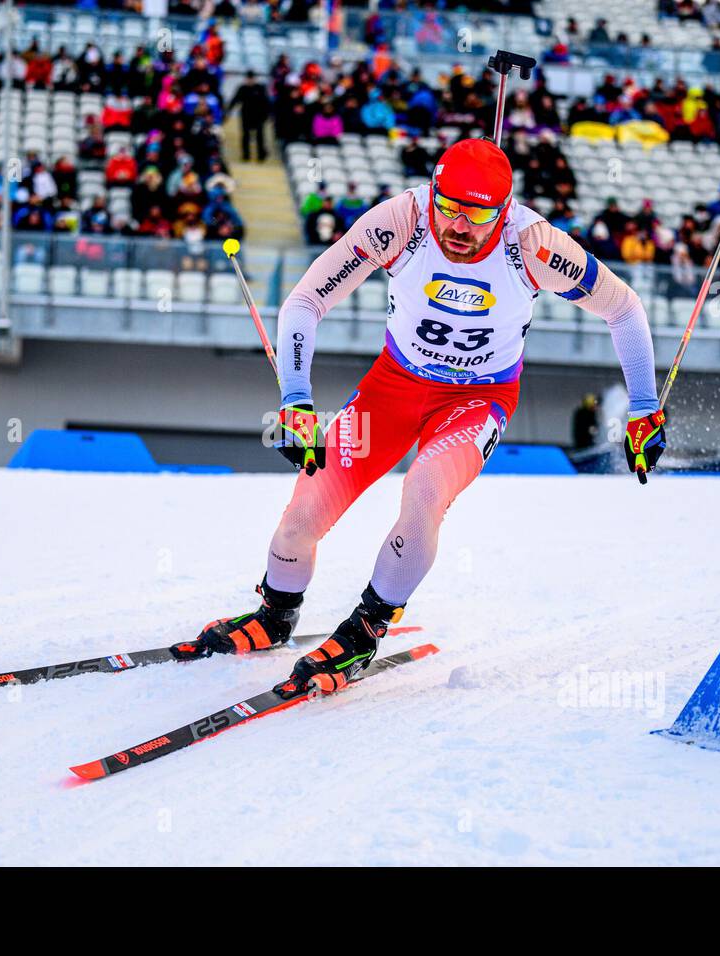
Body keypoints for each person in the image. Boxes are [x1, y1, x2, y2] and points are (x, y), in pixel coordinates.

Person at [173, 138, 667, 695]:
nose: (459, 226)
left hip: (477, 400)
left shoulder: (533, 245)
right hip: (393, 389)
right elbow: (305, 302)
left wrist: (645, 408)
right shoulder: (401, 222)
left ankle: (366, 626)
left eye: (478, 215)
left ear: (504, 211)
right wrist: (295, 400)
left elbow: (623, 308)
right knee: (305, 509)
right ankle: (276, 613)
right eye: (448, 207)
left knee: (425, 488)